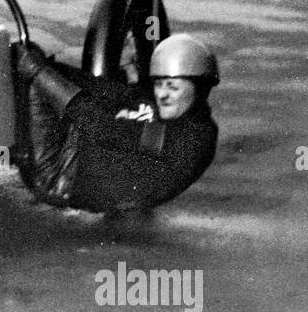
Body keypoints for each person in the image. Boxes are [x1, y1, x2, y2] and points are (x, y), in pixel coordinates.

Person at [14, 33, 219, 211]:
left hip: (56, 174)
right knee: (37, 67)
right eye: (159, 84)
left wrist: (37, 72)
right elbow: (106, 90)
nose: (163, 94)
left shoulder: (194, 138)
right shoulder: (170, 110)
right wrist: (52, 67)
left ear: (200, 89)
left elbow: (108, 129)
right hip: (79, 148)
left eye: (173, 87)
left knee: (30, 79)